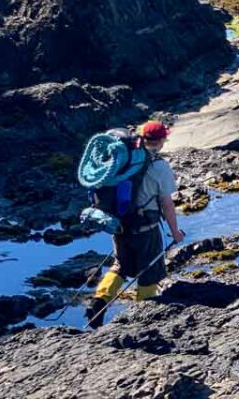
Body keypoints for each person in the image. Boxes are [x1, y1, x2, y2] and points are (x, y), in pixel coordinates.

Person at [86, 121, 185, 327]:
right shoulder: (159, 166)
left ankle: (98, 302)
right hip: (146, 230)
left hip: (119, 226)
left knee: (120, 266)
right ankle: (143, 317)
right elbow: (166, 204)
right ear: (161, 141)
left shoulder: (122, 161)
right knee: (149, 273)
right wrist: (175, 232)